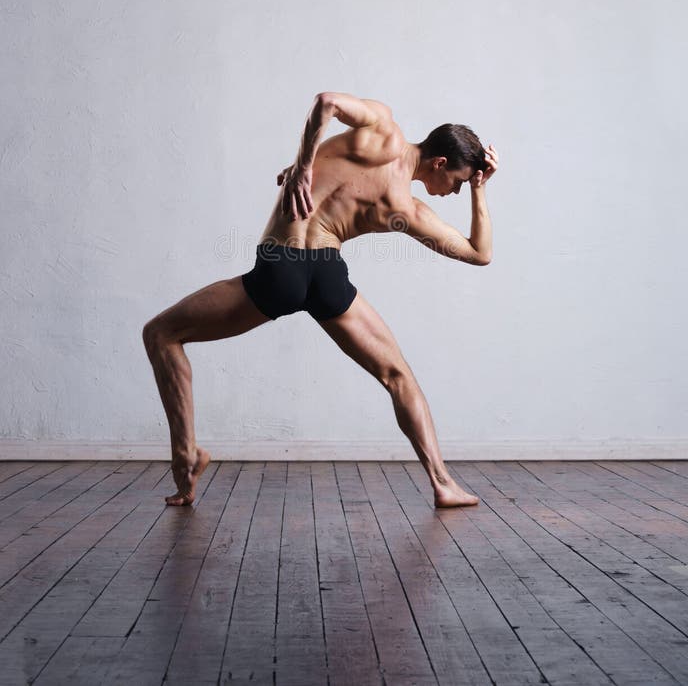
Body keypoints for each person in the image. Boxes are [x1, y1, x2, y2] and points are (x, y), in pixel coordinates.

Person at [142, 92, 498, 507]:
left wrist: (304, 166)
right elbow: (480, 251)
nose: (455, 192)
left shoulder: (380, 129)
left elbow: (326, 102)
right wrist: (482, 192)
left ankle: (187, 455)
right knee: (398, 377)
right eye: (458, 182)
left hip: (280, 268)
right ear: (439, 163)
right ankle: (443, 484)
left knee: (162, 334)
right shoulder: (406, 207)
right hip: (326, 277)